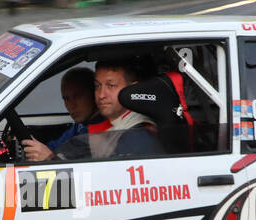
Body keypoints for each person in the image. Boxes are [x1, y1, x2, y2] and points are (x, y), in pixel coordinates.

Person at [25, 58, 164, 161]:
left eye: (111, 86)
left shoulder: (137, 136)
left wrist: (49, 159)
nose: (101, 95)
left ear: (133, 90)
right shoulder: (103, 125)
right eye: (97, 86)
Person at [20, 67, 100, 161]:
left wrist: (49, 158)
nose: (71, 105)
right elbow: (55, 146)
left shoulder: (103, 131)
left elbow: (81, 170)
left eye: (78, 96)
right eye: (66, 99)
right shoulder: (79, 126)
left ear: (94, 94)